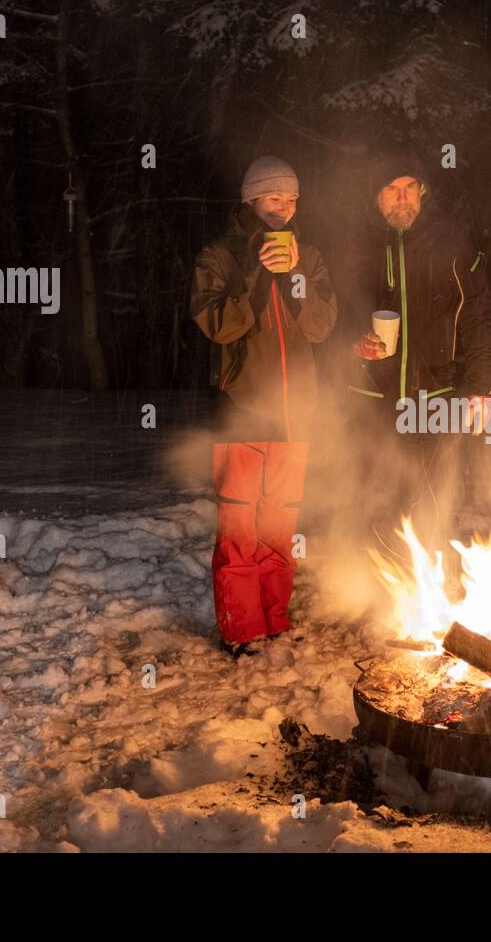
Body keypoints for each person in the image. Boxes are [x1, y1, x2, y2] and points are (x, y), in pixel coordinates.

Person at [190, 156, 338, 658]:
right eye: (275, 198)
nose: (285, 208)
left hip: (296, 414)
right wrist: (256, 272)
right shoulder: (219, 255)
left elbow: (321, 327)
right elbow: (220, 327)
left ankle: (274, 621)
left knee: (279, 527)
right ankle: (242, 630)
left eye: (293, 199)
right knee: (239, 530)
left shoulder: (308, 254)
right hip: (240, 411)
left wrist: (295, 275)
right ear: (250, 200)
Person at [347, 152, 491, 549]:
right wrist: (353, 341)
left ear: (422, 192)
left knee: (434, 501)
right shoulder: (357, 246)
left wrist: (481, 385)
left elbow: (478, 316)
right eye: (392, 190)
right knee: (376, 500)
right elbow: (335, 313)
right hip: (372, 398)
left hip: (435, 396)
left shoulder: (451, 241)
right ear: (376, 198)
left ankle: (428, 594)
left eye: (410, 188)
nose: (402, 198)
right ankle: (375, 594)